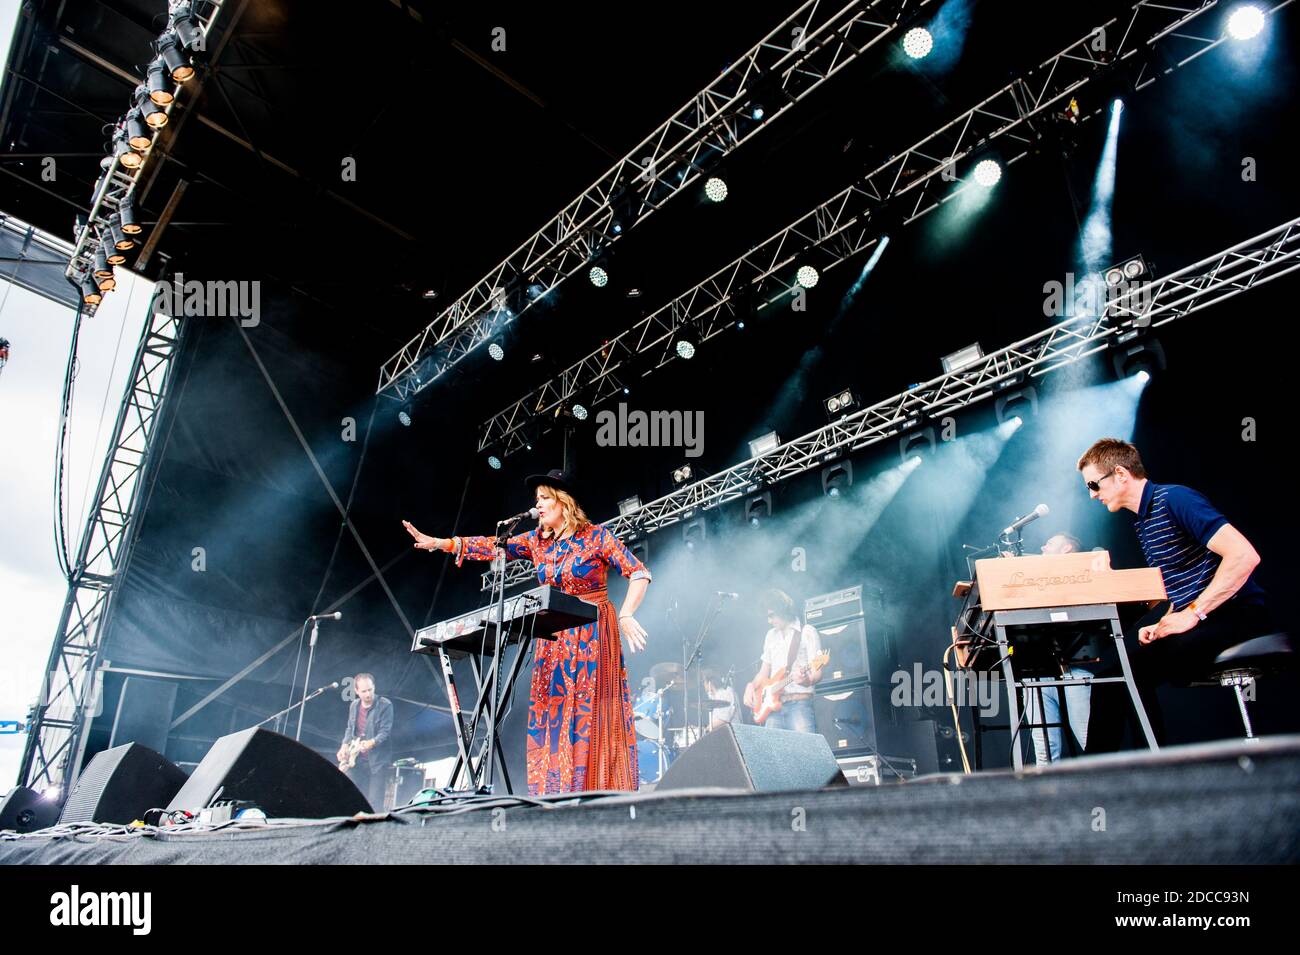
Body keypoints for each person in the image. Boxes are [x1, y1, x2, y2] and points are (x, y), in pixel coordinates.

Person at [402, 469, 651, 794]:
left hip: (592, 629)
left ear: (565, 502)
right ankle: (558, 791)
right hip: (553, 632)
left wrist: (627, 613)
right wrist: (444, 543)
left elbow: (639, 572)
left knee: (593, 709)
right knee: (555, 710)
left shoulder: (596, 537)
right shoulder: (536, 541)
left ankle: (598, 789)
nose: (539, 504)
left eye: (545, 498)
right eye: (537, 500)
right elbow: (492, 545)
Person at [1077, 438, 1272, 743]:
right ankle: (1111, 777)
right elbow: (1183, 582)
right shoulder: (1143, 521)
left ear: (1120, 474)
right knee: (1112, 677)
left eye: (1093, 484)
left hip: (1238, 613)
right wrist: (1163, 622)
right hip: (1207, 615)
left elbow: (1244, 556)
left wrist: (1194, 613)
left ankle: (1154, 768)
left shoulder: (1175, 499)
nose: (1091, 495)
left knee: (1131, 674)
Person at [1022, 532, 1092, 764]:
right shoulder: (1034, 581)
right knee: (1045, 751)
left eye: (1050, 543)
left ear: (1067, 549)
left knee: (1090, 740)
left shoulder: (1083, 576)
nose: (1042, 546)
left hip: (1075, 670)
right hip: (1036, 675)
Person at [743, 589, 824, 733]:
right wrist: (751, 686)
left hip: (799, 704)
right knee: (774, 754)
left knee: (807, 753)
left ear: (783, 610)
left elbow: (817, 673)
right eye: (767, 617)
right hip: (773, 708)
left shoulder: (807, 632)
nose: (769, 621)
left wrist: (805, 681)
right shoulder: (770, 636)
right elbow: (763, 673)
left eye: (771, 615)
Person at [336, 672, 393, 811]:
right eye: (364, 691)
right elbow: (350, 729)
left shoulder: (385, 705)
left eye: (370, 689)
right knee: (351, 794)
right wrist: (344, 746)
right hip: (357, 760)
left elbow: (385, 732)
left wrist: (371, 742)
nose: (368, 694)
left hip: (377, 762)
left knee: (374, 803)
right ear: (356, 691)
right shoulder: (354, 705)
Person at [702, 668, 737, 732]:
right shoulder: (714, 696)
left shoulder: (725, 692)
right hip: (722, 733)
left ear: (709, 682)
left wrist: (706, 729)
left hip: (732, 734)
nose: (703, 684)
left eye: (703, 681)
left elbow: (724, 719)